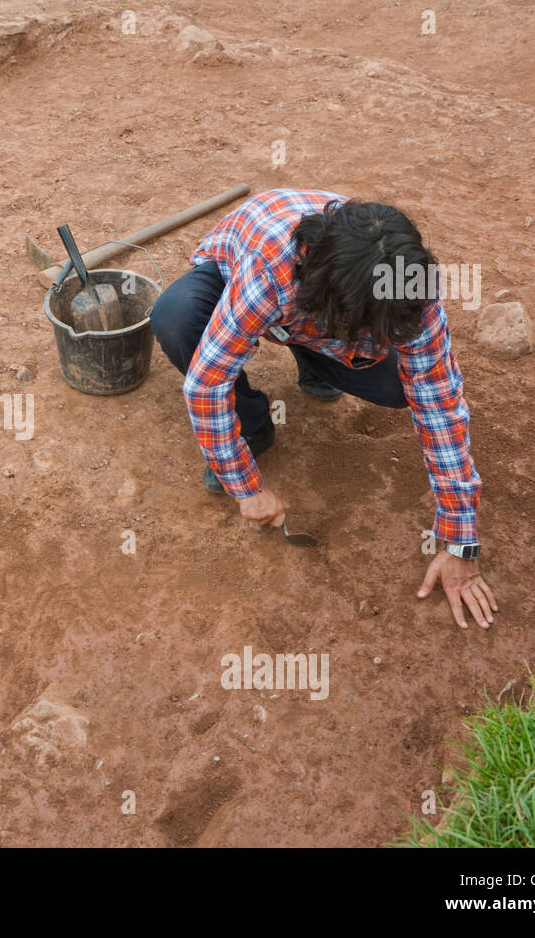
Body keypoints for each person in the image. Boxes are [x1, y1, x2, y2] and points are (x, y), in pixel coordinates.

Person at [149, 189, 498, 631]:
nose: (378, 337)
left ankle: (317, 363)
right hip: (239, 277)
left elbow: (439, 403)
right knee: (177, 319)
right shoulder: (268, 272)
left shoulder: (411, 283)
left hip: (312, 308)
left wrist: (461, 539)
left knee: (401, 385)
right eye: (367, 329)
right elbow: (206, 384)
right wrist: (245, 486)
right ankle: (255, 425)